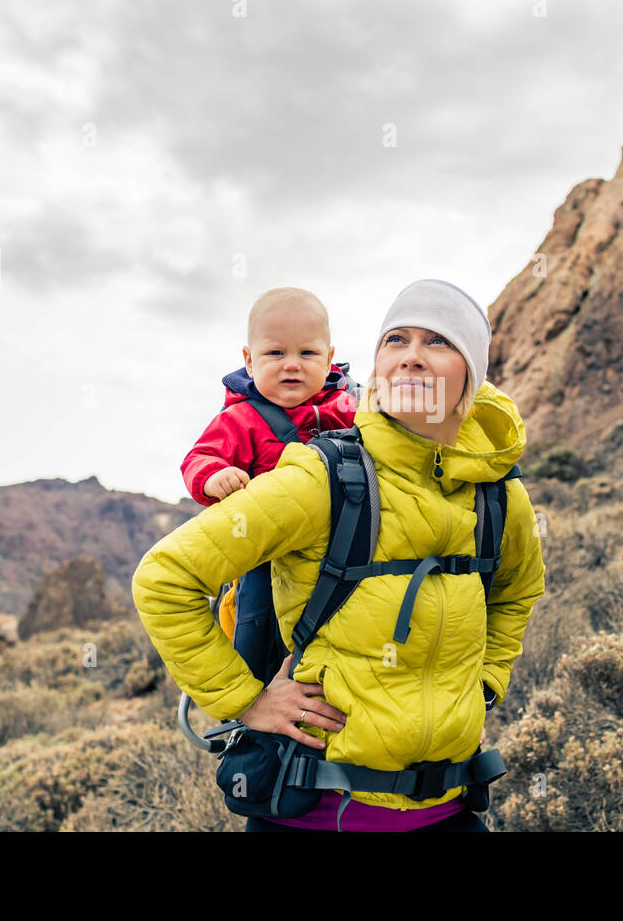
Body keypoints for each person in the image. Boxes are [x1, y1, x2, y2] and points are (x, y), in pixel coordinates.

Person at [132, 278, 546, 831]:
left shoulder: (499, 494)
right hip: (318, 813)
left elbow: (517, 592)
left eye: (439, 342)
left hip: (452, 810)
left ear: (472, 369)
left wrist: (485, 685)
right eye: (396, 339)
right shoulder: (321, 475)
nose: (412, 358)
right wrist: (247, 701)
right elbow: (165, 579)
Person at [179, 287, 357, 681]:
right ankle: (253, 717)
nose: (291, 365)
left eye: (307, 353)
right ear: (249, 359)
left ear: (329, 358)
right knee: (257, 626)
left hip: (344, 551)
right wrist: (214, 477)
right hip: (267, 556)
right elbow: (198, 459)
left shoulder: (350, 410)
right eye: (276, 353)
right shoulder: (241, 419)